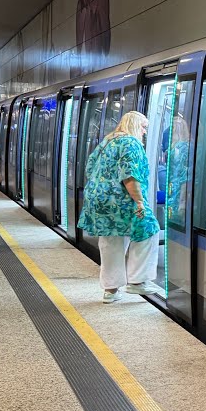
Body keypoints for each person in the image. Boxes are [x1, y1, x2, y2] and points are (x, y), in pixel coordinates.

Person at [78, 111, 159, 303]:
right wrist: (139, 201)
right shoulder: (131, 143)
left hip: (98, 200)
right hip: (121, 201)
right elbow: (129, 175)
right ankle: (138, 281)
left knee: (110, 242)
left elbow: (89, 168)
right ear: (135, 125)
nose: (144, 132)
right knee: (149, 229)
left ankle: (110, 290)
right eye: (143, 127)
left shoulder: (107, 142)